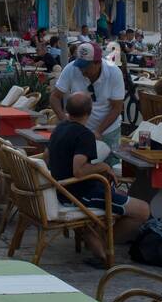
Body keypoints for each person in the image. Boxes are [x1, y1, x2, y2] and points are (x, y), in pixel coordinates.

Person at [45, 91, 148, 264]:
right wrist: (104, 166)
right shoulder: (84, 135)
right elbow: (79, 170)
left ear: (67, 109)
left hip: (63, 191)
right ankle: (105, 243)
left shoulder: (60, 128)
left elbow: (48, 157)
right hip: (80, 194)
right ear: (90, 111)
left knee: (119, 196)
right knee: (143, 210)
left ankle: (95, 235)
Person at [50, 42, 126, 167]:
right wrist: (64, 119)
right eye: (80, 65)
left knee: (111, 167)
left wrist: (98, 131)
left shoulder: (114, 72)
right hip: (78, 129)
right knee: (78, 168)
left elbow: (116, 108)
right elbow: (55, 96)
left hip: (108, 130)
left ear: (98, 63)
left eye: (86, 66)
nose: (82, 70)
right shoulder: (72, 68)